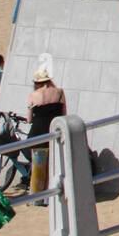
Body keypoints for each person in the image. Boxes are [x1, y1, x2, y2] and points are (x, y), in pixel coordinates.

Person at [26, 67, 68, 203]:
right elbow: (64, 114)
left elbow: (29, 119)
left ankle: (37, 198)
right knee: (54, 166)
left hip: (38, 133)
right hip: (55, 132)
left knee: (38, 167)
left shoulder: (34, 95)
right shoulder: (60, 93)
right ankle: (52, 197)